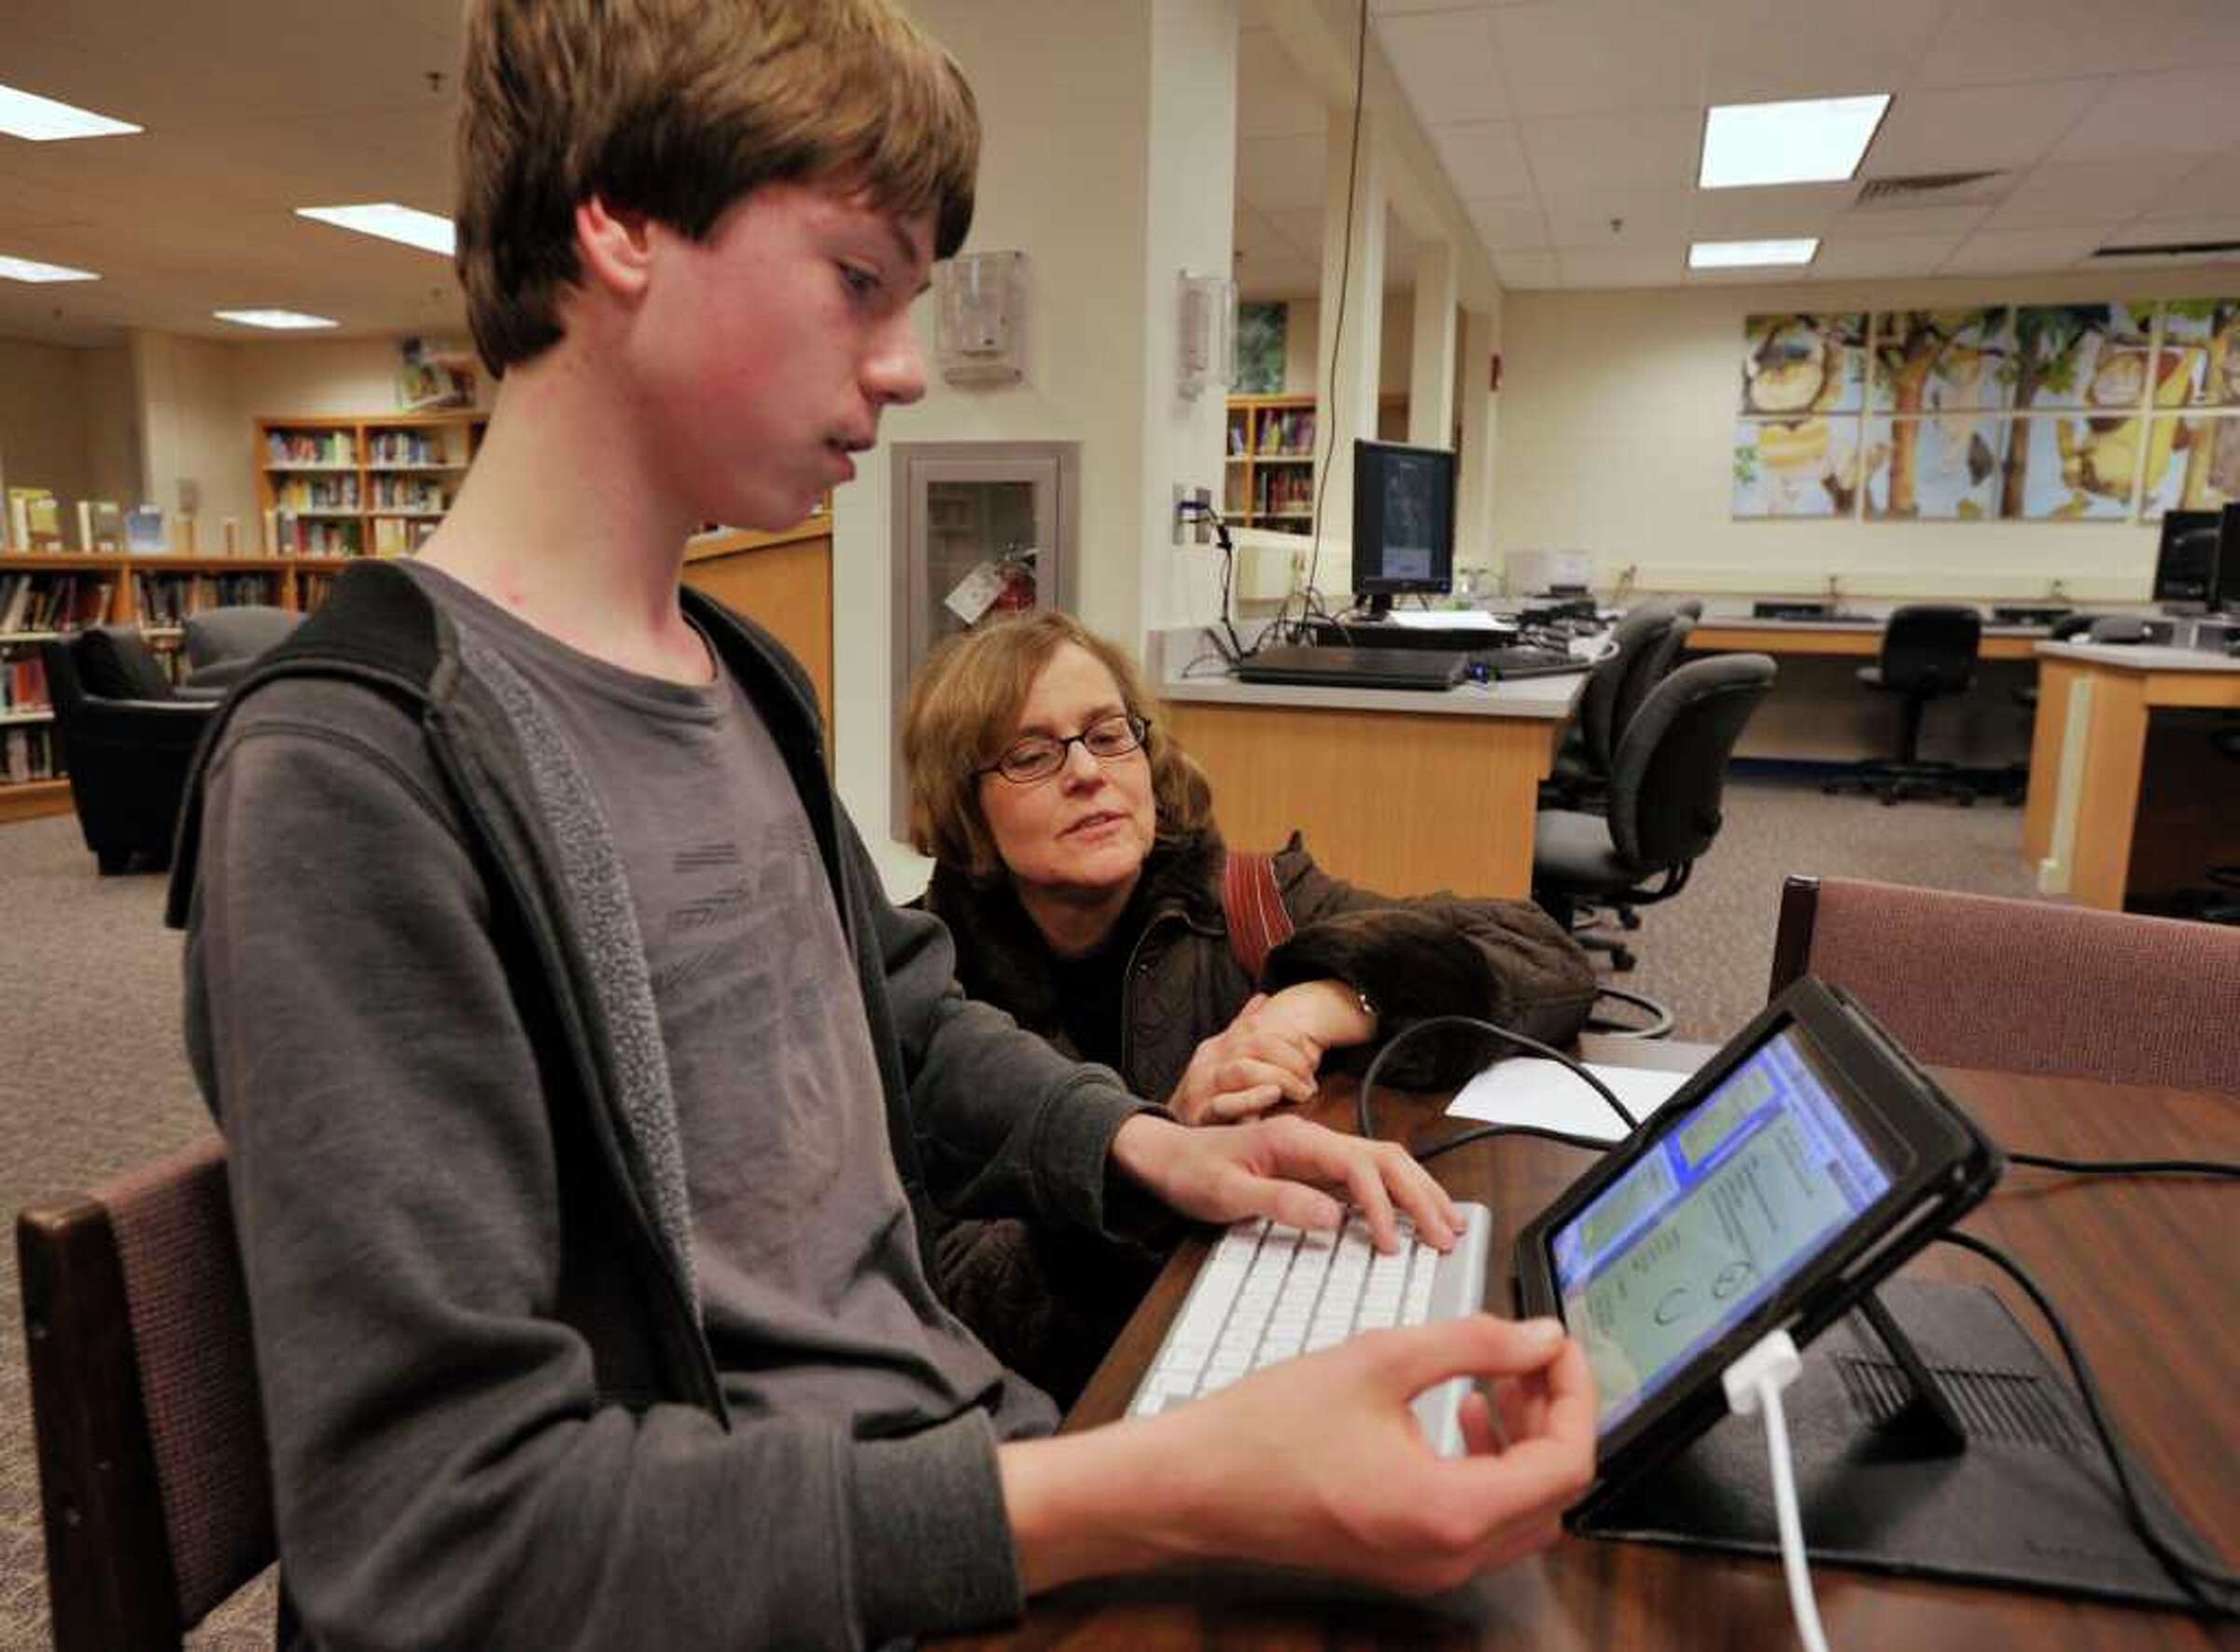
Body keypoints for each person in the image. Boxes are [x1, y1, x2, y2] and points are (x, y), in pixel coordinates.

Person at [166, 1, 1596, 1645]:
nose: (909, 362)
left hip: (955, 1475)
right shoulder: (356, 773)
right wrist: (1155, 1485)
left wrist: (1152, 1148)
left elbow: (897, 1020)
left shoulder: (740, 680)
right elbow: (441, 1539)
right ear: (618, 221)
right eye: (861, 278)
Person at [901, 611, 1598, 1396]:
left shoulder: (1250, 899)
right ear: (963, 805)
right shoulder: (921, 995)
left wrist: (1328, 999)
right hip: (1089, 1407)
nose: (1089, 772)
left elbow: (1544, 955)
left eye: (1107, 734)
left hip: (1267, 1316)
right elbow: (965, 1303)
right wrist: (1157, 1154)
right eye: (1031, 755)